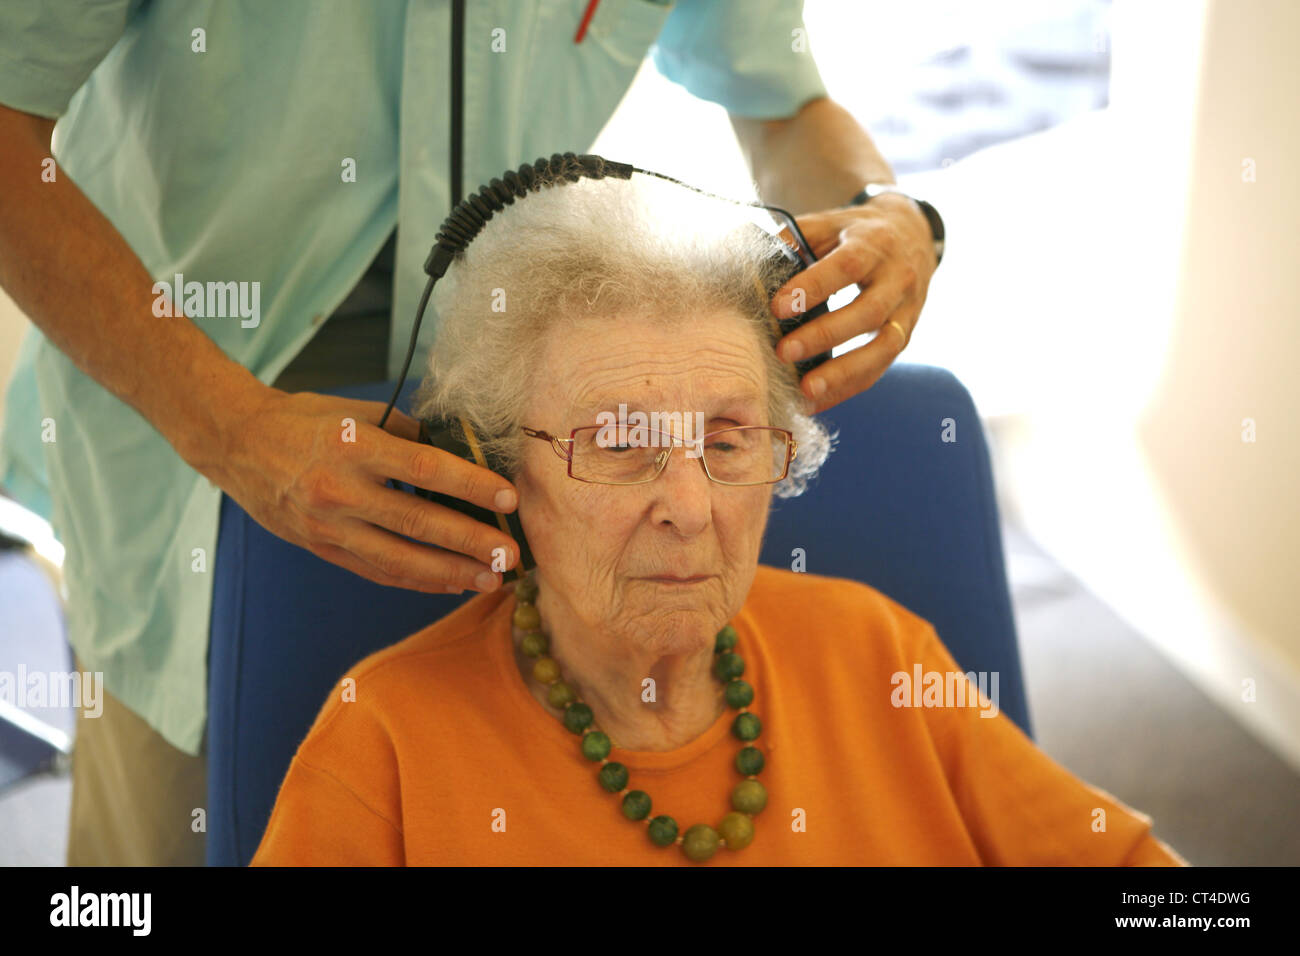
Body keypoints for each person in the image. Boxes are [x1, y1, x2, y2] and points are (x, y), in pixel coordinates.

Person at [0, 1, 941, 865]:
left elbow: (780, 102)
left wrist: (890, 213)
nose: (691, 504)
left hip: (510, 395)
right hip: (183, 381)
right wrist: (227, 427)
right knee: (180, 821)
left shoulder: (877, 648)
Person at [251, 174, 1185, 865]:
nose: (692, 509)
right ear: (497, 472)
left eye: (730, 440)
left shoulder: (877, 652)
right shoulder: (385, 743)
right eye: (619, 443)